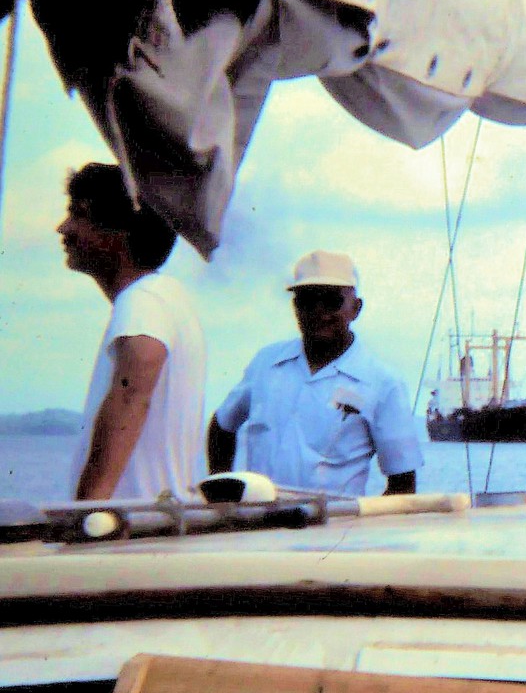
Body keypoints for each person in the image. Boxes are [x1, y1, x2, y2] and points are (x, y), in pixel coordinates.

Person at [207, 250, 422, 495]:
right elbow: (222, 425)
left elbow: (403, 484)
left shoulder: (383, 383)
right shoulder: (265, 364)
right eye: (307, 300)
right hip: (258, 525)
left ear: (356, 308)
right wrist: (219, 494)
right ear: (295, 307)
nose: (319, 311)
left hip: (330, 529)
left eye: (332, 300)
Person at [59, 163, 207, 500]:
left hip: (123, 533)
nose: (64, 228)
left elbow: (131, 394)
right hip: (147, 528)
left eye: (79, 215)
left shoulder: (143, 301)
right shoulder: (164, 298)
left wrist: (88, 511)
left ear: (121, 230)